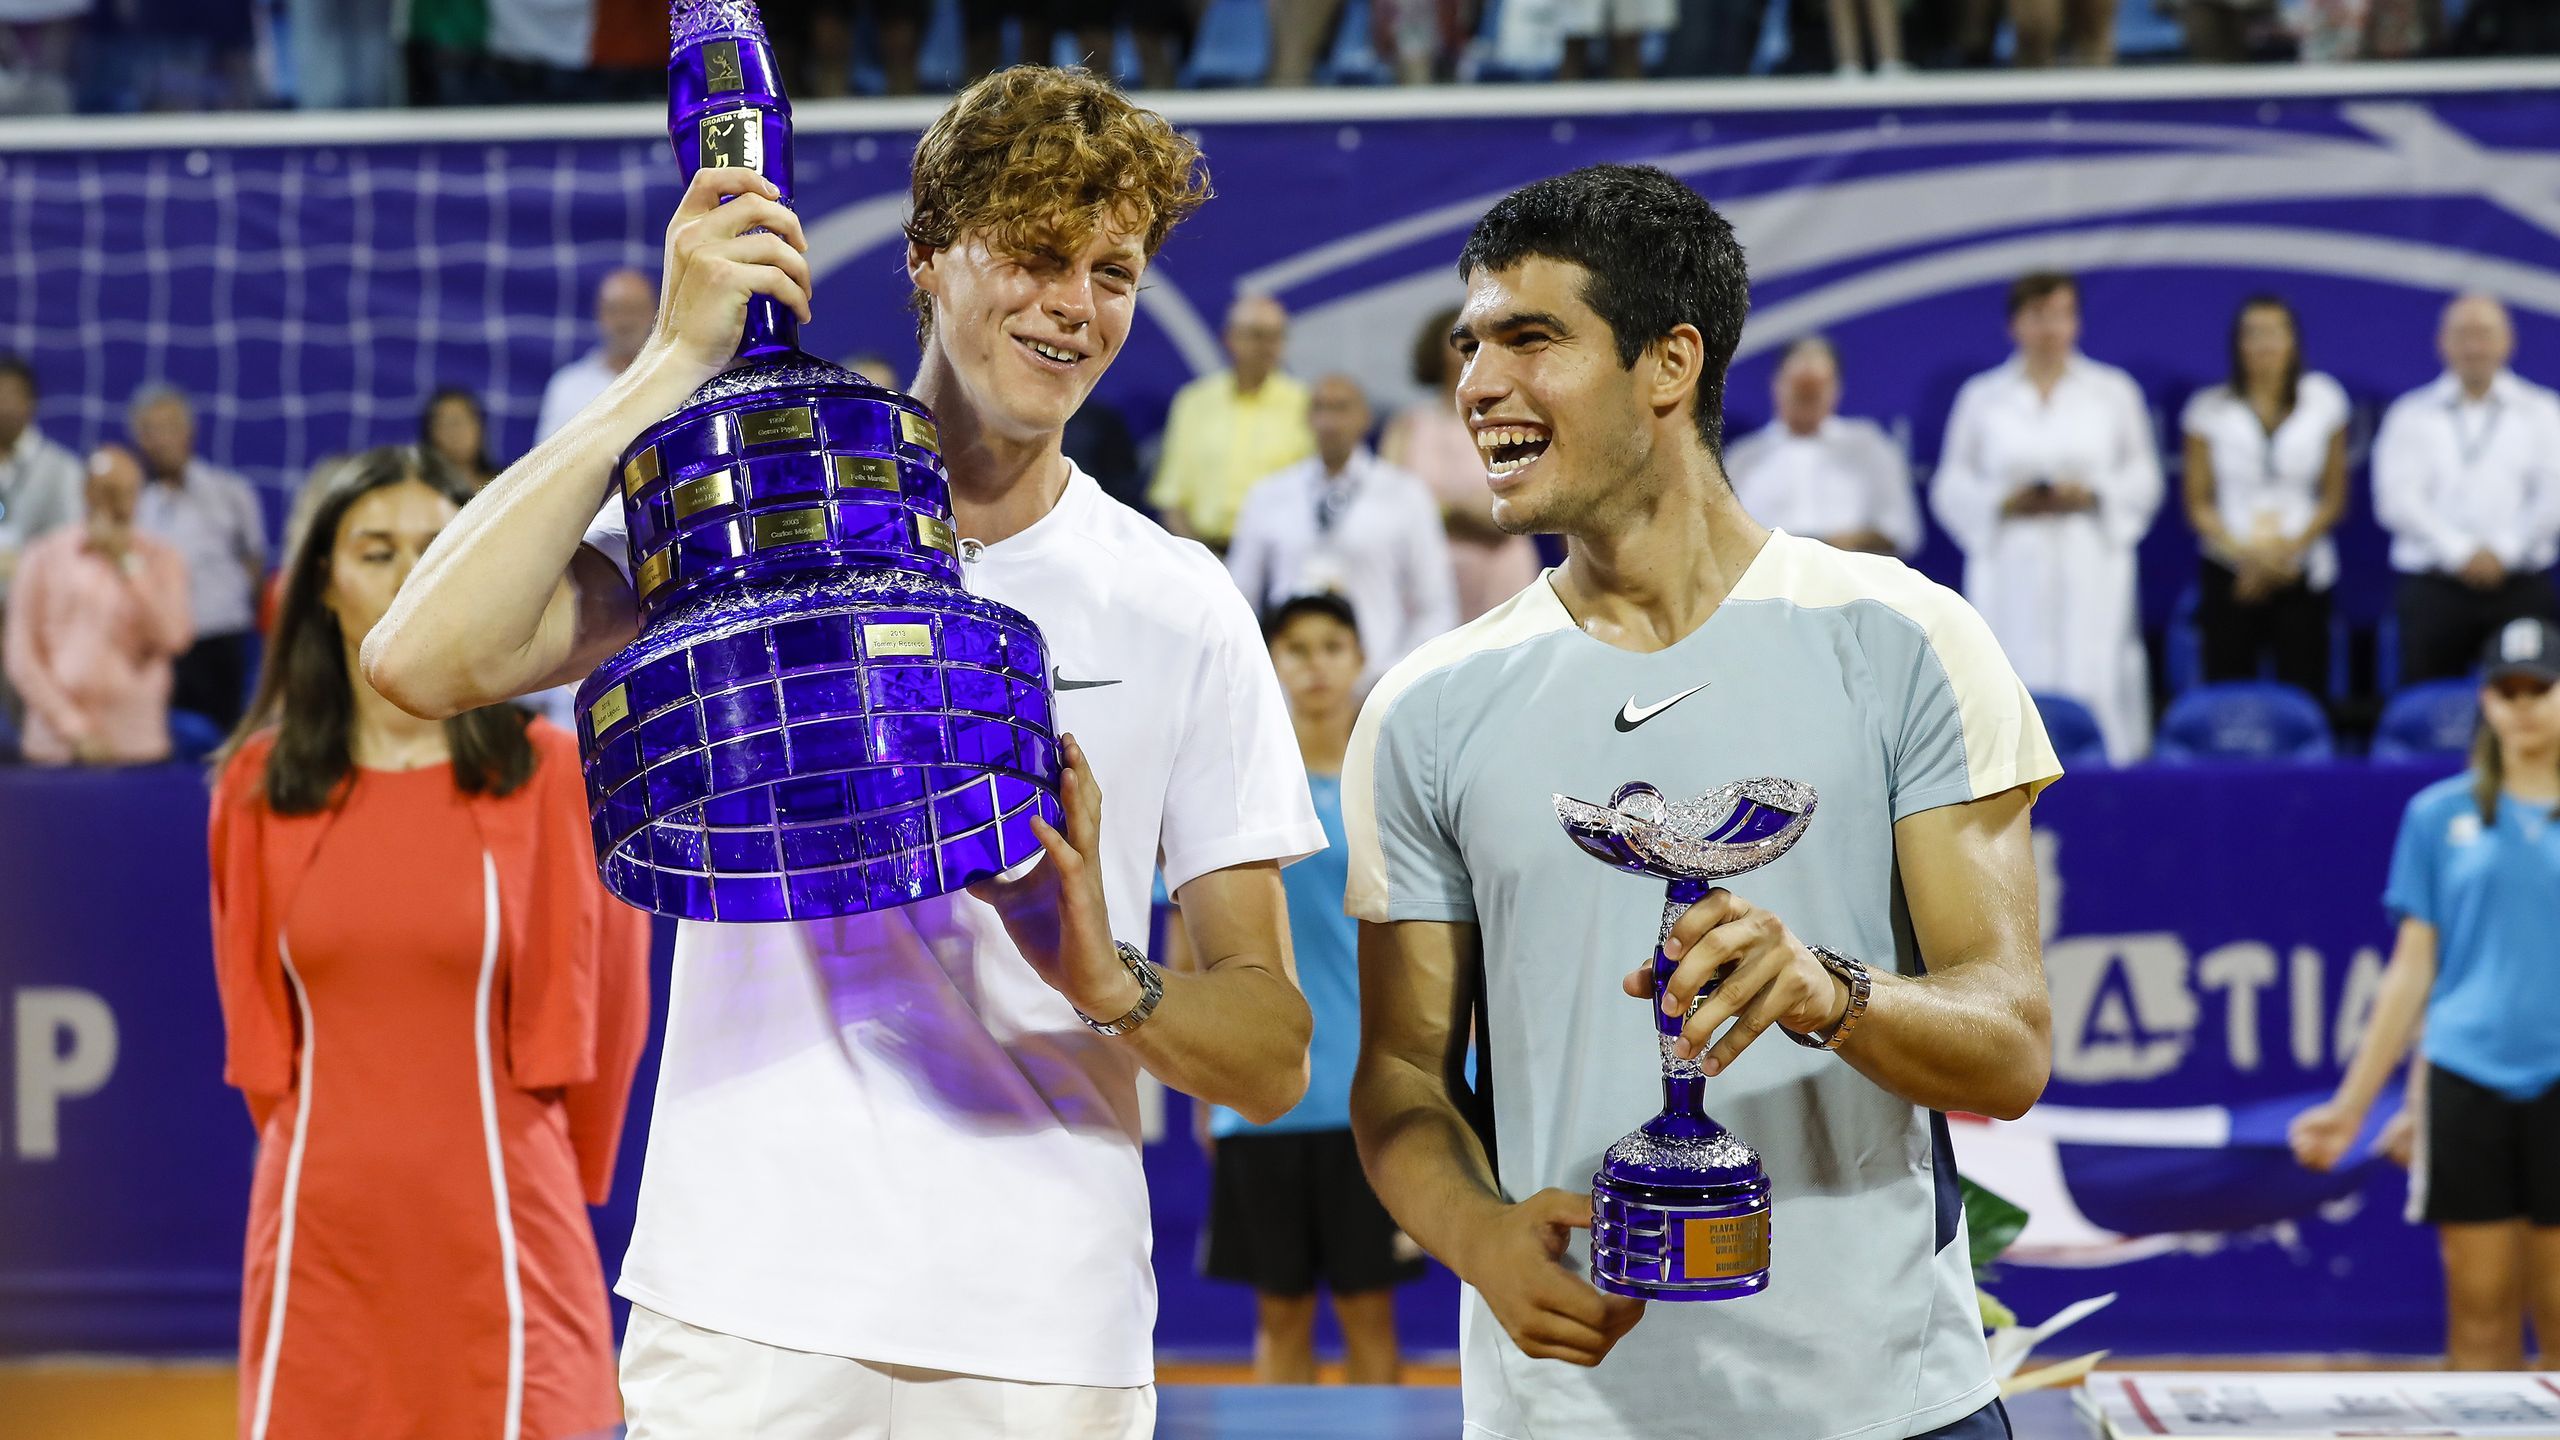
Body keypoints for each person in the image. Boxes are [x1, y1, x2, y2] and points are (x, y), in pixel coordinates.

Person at [363, 67, 1324, 1437]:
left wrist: (1103, 974)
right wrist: (670, 366)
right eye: (1037, 255)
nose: (1075, 305)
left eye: (1112, 270)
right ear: (928, 260)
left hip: (1044, 1331)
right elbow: (417, 657)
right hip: (749, 1304)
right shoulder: (751, 517)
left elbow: (1274, 1049)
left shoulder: (1178, 600)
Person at [1346, 163, 2056, 1440]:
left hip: (1885, 1403)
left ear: (1667, 365)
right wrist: (1478, 1238)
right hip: (1569, 1414)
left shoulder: (1906, 636)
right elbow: (1402, 1073)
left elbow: (2007, 1045)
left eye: (1530, 338)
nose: (1476, 385)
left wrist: (1824, 990)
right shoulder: (1425, 707)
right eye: (1468, 345)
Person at [208, 446, 647, 1440]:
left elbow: (612, 1018)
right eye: (375, 550)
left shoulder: (550, 776)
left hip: (504, 1220)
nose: (411, 573)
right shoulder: (253, 788)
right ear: (319, 583)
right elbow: (260, 1049)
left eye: (438, 549)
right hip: (319, 1225)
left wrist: (549, 1185)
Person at [2291, 617, 2560, 1371]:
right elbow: (2411, 972)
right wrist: (2353, 1108)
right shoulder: (2437, 816)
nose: (2525, 704)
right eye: (2508, 690)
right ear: (2487, 700)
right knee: (2477, 1318)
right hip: (2465, 1076)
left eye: (2541, 687)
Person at [1202, 593, 1424, 1383]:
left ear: (1360, 659)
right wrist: (1203, 1081)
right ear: (1272, 663)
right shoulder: (1237, 787)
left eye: (1333, 645)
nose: (1315, 665)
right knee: (1279, 1315)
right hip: (1260, 1095)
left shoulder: (1390, 786)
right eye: (1296, 648)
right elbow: (1193, 945)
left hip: (1366, 1098)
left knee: (1371, 1312)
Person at [1932, 271, 2162, 763]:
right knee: (2010, 669)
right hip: (2011, 559)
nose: (2050, 329)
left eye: (2061, 315)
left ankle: (2105, 771)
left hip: (2089, 557)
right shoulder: (1982, 397)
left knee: (2094, 665)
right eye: (2038, 316)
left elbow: (2143, 478)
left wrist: (2094, 492)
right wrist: (2003, 501)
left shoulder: (2113, 392)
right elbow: (1951, 484)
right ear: (2015, 325)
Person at [2374, 293, 2560, 687]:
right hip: (2435, 586)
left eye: (2485, 334)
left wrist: (2504, 550)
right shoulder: (2410, 414)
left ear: (2508, 341)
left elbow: (2553, 496)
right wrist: (2460, 552)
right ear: (2442, 342)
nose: (2474, 346)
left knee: (2529, 697)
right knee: (2426, 700)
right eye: (2463, 334)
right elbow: (2397, 500)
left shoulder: (2543, 412)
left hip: (2520, 585)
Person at [1226, 374, 1458, 686]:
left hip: (1377, 679)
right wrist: (1264, 672)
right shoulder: (1269, 495)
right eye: (1320, 409)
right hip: (1287, 687)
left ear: (1365, 418)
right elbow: (1238, 599)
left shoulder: (1406, 496)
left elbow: (1436, 606)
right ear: (1306, 419)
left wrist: (1393, 677)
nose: (1329, 421)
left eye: (1341, 408)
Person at [2181, 295, 2350, 695]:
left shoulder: (2324, 401)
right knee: (2227, 694)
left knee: (2306, 690)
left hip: (2302, 569)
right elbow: (2199, 504)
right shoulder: (2207, 409)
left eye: (2274, 332)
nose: (2264, 345)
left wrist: (2285, 554)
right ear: (2237, 344)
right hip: (2231, 571)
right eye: (2253, 334)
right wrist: (2249, 558)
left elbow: (2333, 498)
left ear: (2293, 341)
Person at [5, 445, 190, 766]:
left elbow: (174, 637)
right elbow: (21, 655)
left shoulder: (162, 557)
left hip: (137, 744)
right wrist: (73, 728)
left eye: (129, 492)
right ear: (87, 492)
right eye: (108, 491)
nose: (119, 503)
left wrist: (127, 564)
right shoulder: (43, 556)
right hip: (54, 747)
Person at [1382, 305, 1542, 622]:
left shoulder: (1510, 421)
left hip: (1500, 575)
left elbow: (1512, 508)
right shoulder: (1406, 426)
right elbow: (1389, 509)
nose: (1470, 350)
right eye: (1462, 340)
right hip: (1426, 582)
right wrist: (1458, 511)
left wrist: (1435, 510)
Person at [129, 381, 266, 729]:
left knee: (227, 739)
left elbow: (254, 562)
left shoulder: (230, 492)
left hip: (220, 640)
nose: (162, 438)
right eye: (150, 430)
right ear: (139, 439)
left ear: (190, 430)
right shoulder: (136, 504)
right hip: (157, 648)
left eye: (171, 426)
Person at [1723, 336, 1922, 558]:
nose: (1807, 396)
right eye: (1800, 386)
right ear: (1777, 384)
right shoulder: (1743, 458)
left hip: (1851, 576)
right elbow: (1721, 535)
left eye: (1817, 387)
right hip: (1766, 579)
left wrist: (1844, 543)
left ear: (1835, 388)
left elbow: (1901, 531)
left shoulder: (1868, 446)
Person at [1149, 293, 1315, 552]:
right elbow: (1172, 498)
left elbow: (1314, 495)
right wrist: (1201, 558)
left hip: (1279, 557)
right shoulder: (1194, 401)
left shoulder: (1305, 405)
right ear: (1230, 339)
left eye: (1276, 336)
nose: (1268, 346)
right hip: (1205, 553)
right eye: (1257, 335)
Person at [534, 267, 657, 443]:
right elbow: (544, 464)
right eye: (614, 310)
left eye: (634, 310)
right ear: (599, 314)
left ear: (654, 314)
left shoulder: (679, 383)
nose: (624, 321)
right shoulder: (567, 387)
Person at [0, 353, 82, 610]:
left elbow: (70, 545)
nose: (4, 405)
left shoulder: (63, 469)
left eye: (13, 395)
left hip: (38, 609)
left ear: (31, 402)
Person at [420, 386, 500, 491]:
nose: (455, 432)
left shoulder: (504, 483)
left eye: (460, 421)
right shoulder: (422, 491)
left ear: (479, 427)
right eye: (446, 423)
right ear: (431, 432)